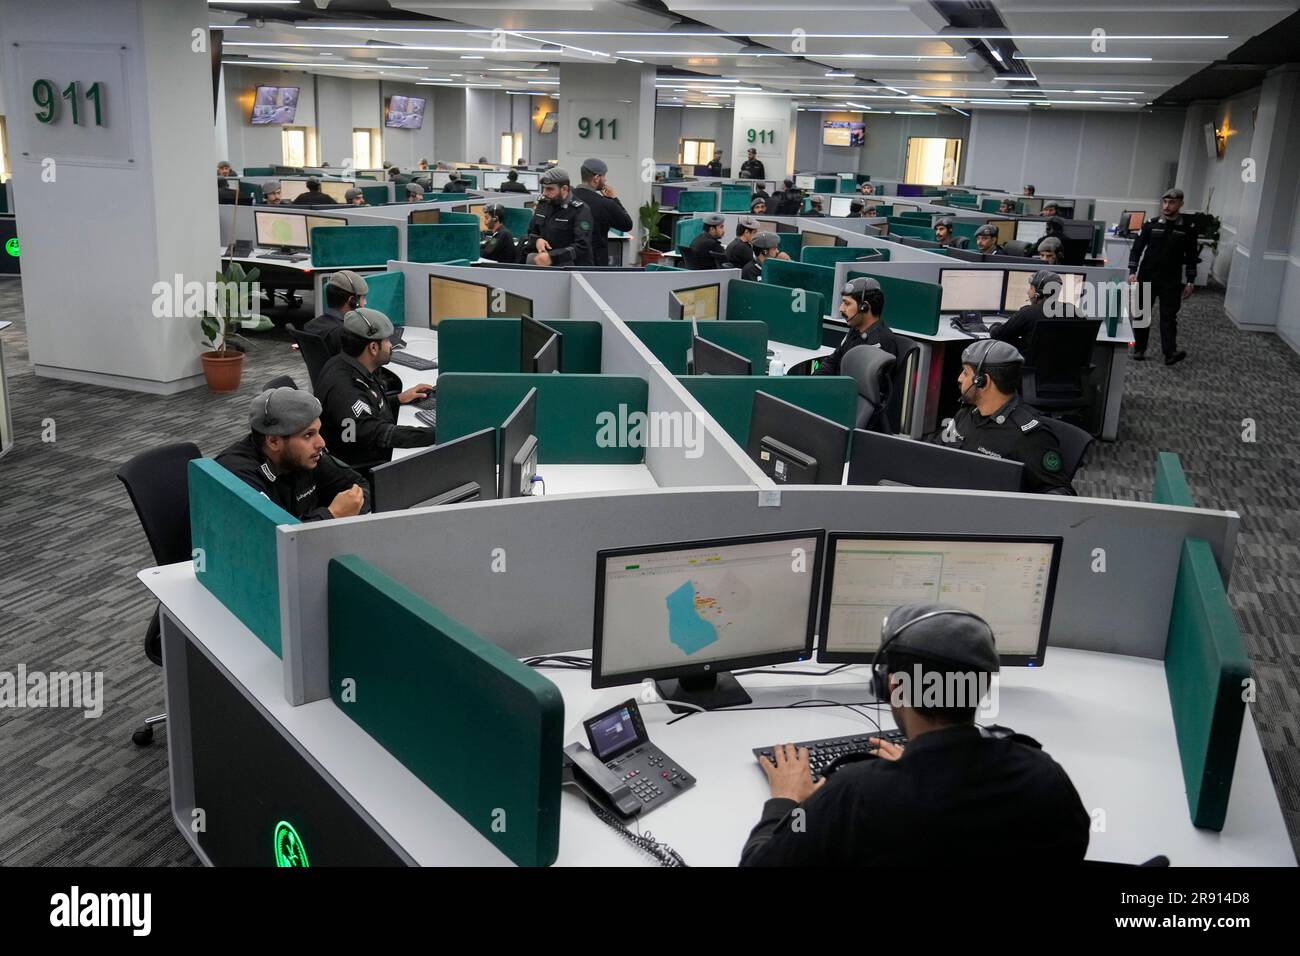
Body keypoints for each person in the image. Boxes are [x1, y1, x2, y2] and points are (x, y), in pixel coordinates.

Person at [741, 602, 1090, 866]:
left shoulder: (855, 795)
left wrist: (785, 801)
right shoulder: (1043, 776)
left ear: (891, 686)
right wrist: (923, 772)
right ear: (983, 688)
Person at [929, 339, 1076, 494]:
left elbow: (1062, 493)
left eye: (965, 372)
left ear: (982, 381)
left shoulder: (1030, 437)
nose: (959, 378)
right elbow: (937, 449)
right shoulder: (966, 413)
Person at [216, 388, 370, 522]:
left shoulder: (306, 456)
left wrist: (345, 512)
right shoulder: (238, 477)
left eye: (318, 431)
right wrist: (333, 515)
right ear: (274, 441)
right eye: (308, 435)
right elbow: (271, 541)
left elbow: (359, 485)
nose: (321, 443)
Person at [315, 309, 437, 467]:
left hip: (358, 454)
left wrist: (398, 399)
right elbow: (380, 434)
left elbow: (366, 411)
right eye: (387, 341)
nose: (391, 345)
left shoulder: (341, 363)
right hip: (364, 471)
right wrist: (438, 433)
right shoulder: (346, 389)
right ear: (373, 348)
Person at [1127, 187, 1197, 365]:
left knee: (1169, 316)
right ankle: (1140, 348)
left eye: (1172, 202)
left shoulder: (1187, 229)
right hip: (1148, 275)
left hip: (1171, 280)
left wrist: (1190, 281)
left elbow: (1191, 257)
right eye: (1165, 202)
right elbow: (1137, 249)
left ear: (1180, 204)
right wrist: (1132, 271)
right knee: (1142, 314)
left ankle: (1170, 352)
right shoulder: (1151, 224)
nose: (1167, 206)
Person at [815, 277, 899, 376]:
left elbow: (862, 385)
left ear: (864, 307)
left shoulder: (881, 343)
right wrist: (813, 382)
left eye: (847, 303)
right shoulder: (855, 330)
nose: (841, 308)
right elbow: (831, 362)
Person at [990, 269, 1078, 360]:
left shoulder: (1029, 312)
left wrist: (994, 326)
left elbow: (998, 335)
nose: (1028, 292)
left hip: (1032, 369)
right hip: (1068, 369)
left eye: (1031, 288)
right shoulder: (1073, 311)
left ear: (1038, 294)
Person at [521, 167, 594, 267]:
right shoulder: (543, 204)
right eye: (544, 188)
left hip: (571, 269)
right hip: (544, 264)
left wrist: (552, 257)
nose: (545, 193)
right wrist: (537, 240)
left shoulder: (580, 210)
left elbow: (582, 246)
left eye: (550, 189)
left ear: (564, 189)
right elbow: (532, 232)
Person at [572, 158, 634, 267]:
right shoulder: (605, 203)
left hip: (570, 260)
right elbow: (627, 224)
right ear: (596, 178)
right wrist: (614, 198)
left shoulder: (568, 198)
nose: (605, 180)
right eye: (604, 176)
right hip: (595, 265)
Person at [305, 270, 368, 354]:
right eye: (363, 298)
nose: (365, 303)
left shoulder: (310, 326)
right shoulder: (346, 335)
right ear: (352, 301)